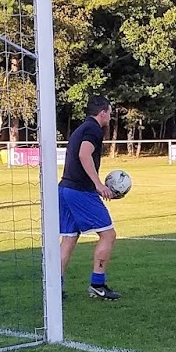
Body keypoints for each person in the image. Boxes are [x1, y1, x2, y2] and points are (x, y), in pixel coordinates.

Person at [59, 95, 121, 299]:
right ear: (102, 112)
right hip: (79, 191)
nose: (110, 117)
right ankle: (98, 284)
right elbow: (84, 155)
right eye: (109, 113)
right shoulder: (93, 129)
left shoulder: (82, 128)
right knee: (108, 235)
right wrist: (98, 185)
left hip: (66, 188)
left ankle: (54, 288)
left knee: (69, 238)